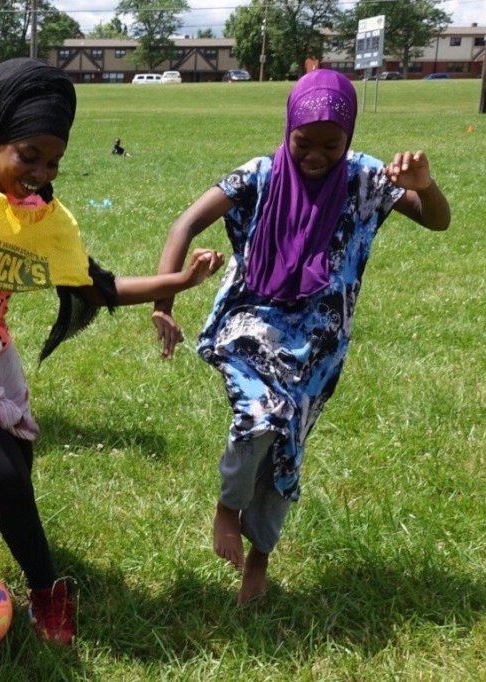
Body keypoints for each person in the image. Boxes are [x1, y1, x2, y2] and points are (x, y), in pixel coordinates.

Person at [0, 58, 224, 644]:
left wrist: (180, 282)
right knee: (8, 481)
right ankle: (47, 592)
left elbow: (99, 288)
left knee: (19, 470)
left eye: (52, 162)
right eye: (28, 156)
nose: (39, 174)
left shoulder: (42, 221)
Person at [150, 69, 450, 606]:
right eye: (303, 142)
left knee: (287, 446)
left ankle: (259, 559)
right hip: (251, 322)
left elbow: (437, 221)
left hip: (319, 345)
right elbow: (184, 224)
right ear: (287, 128)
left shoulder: (364, 179)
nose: (315, 156)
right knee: (259, 414)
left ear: (349, 137)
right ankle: (227, 507)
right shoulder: (259, 175)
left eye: (331, 145)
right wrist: (163, 303)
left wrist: (424, 185)